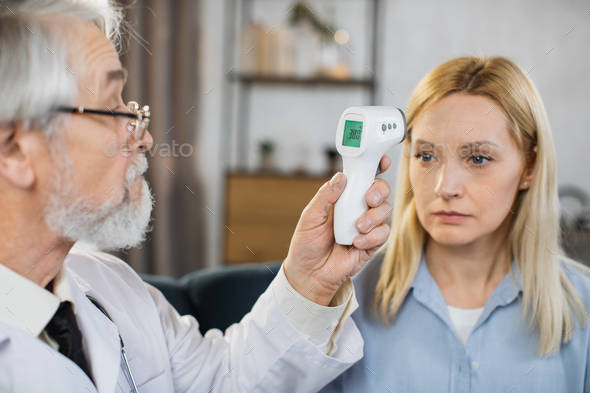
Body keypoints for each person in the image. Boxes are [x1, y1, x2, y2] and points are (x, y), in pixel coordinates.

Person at [0, 1, 395, 392]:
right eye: (111, 107)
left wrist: (312, 281)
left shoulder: (111, 286)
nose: (146, 139)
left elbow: (223, 380)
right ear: (15, 149)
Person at [320, 55, 590, 393]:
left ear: (529, 167)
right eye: (427, 156)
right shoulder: (347, 299)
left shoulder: (583, 311)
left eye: (478, 158)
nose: (444, 187)